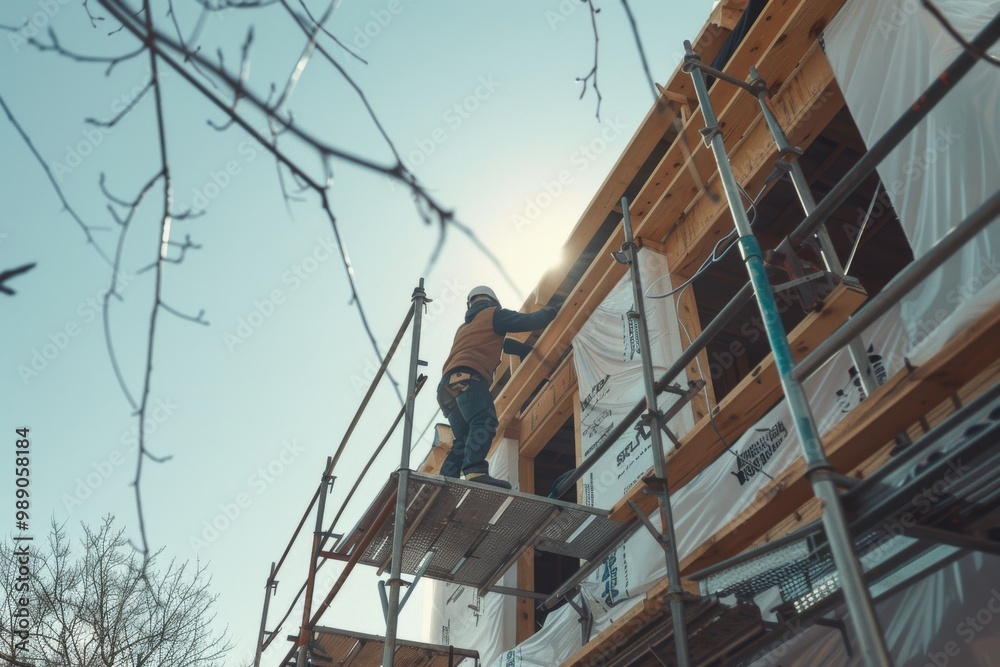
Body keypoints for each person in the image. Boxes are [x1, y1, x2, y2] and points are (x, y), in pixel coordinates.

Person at [437, 286, 558, 489]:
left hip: (447, 388)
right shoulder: (493, 314)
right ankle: (475, 471)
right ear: (493, 301)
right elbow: (531, 321)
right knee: (484, 420)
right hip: (469, 379)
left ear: (470, 304)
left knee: (463, 438)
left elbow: (501, 345)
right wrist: (552, 311)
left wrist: (524, 350)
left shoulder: (466, 328)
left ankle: (445, 482)